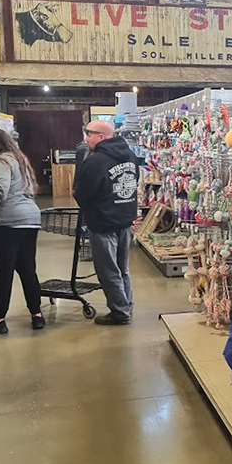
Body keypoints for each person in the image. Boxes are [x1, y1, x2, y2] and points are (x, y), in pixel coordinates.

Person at [0, 129, 44, 334]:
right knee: (27, 269)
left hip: (8, 222)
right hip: (30, 220)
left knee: (4, 272)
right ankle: (37, 315)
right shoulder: (20, 160)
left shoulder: (1, 162)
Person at [74, 120, 139, 326]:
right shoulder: (130, 155)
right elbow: (134, 180)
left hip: (102, 222)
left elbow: (82, 193)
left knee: (108, 270)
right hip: (125, 219)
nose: (86, 138)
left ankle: (120, 312)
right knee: (123, 267)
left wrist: (91, 211)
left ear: (101, 136)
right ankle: (126, 305)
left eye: (89, 133)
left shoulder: (95, 161)